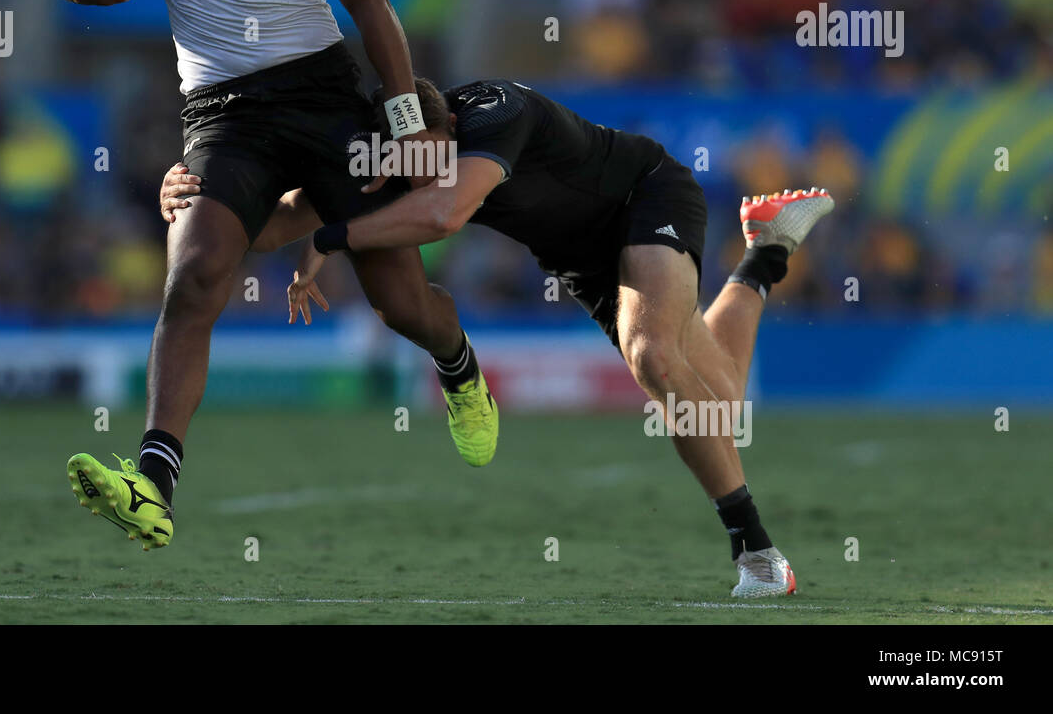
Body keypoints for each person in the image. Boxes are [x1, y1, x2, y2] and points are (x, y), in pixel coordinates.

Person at [50, 0, 497, 552]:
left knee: (400, 303)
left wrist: (407, 123)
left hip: (324, 99)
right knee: (193, 275)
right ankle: (153, 485)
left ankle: (459, 366)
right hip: (222, 114)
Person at [159, 77, 834, 597]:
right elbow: (274, 224)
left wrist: (334, 237)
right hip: (583, 259)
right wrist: (196, 198)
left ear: (450, 127)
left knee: (654, 357)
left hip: (646, 195)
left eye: (424, 158)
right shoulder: (388, 148)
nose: (410, 174)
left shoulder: (495, 112)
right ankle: (767, 252)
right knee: (715, 399)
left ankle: (759, 557)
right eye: (400, 164)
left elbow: (446, 212)